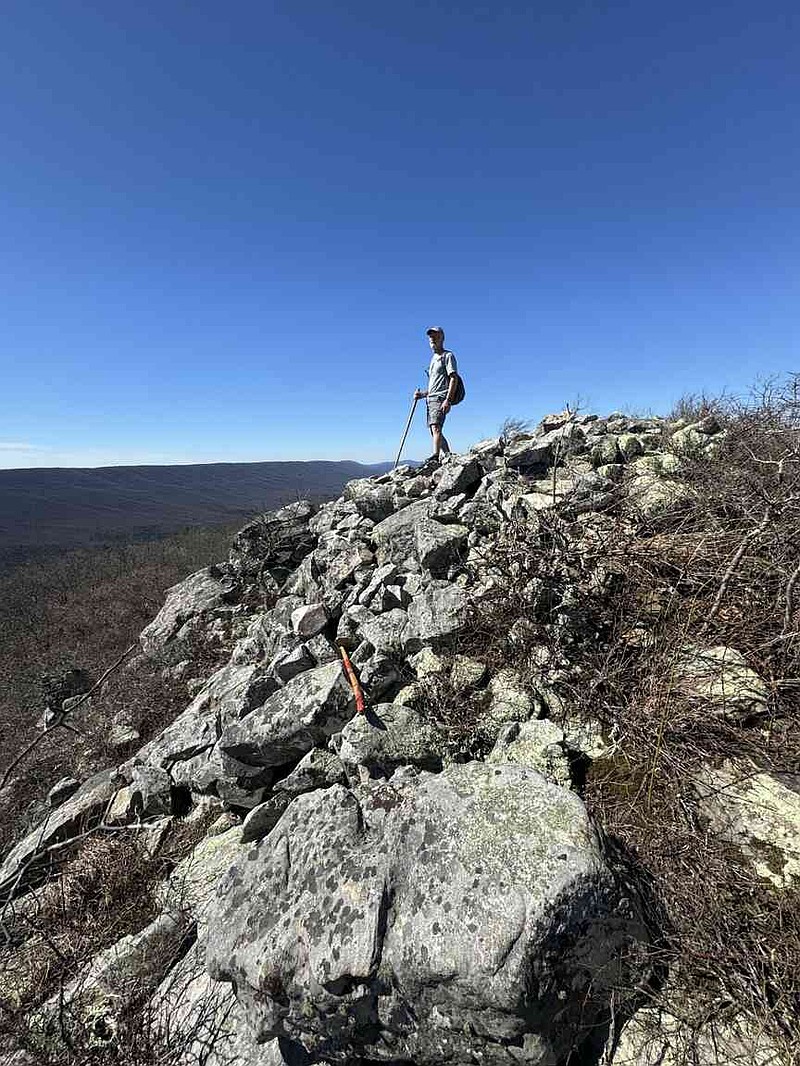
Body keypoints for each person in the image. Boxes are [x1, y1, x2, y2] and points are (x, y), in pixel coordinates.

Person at [415, 325, 458, 463]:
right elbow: (434, 386)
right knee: (434, 430)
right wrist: (422, 395)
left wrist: (448, 400)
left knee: (436, 427)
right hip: (431, 398)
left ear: (442, 338)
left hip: (440, 398)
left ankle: (435, 457)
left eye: (436, 336)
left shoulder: (448, 356)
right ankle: (448, 455)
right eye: (431, 337)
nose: (432, 339)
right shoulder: (433, 359)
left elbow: (453, 378)